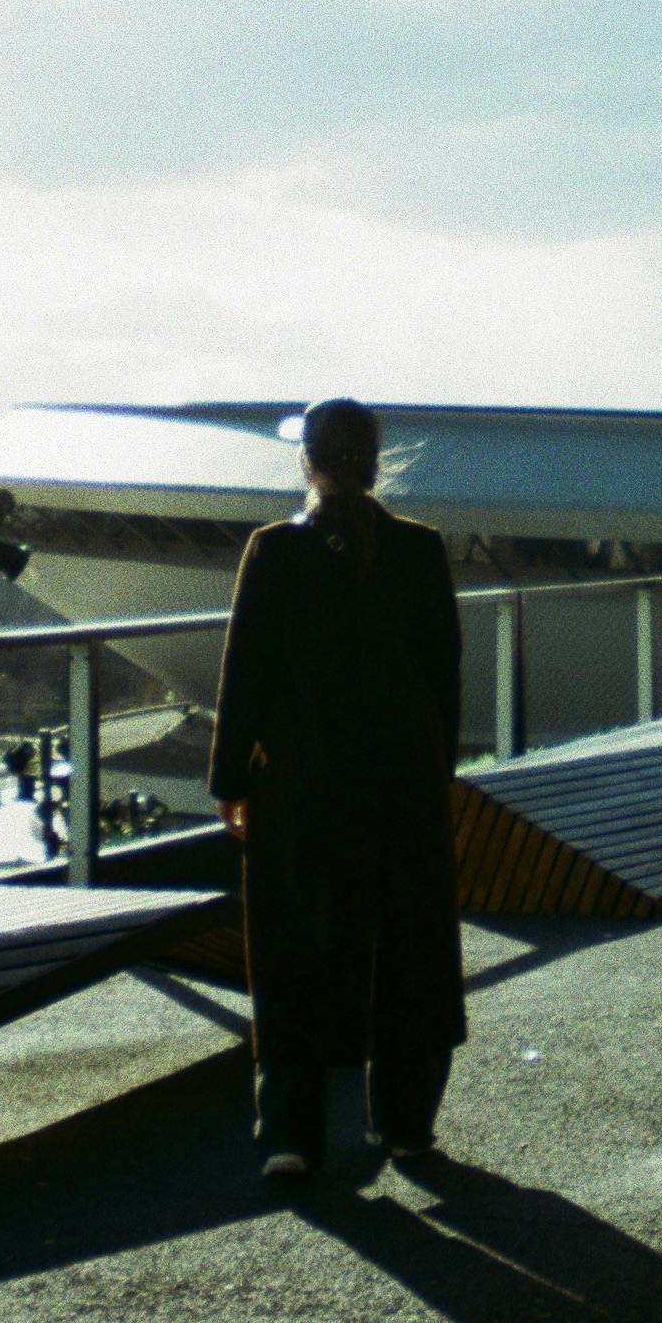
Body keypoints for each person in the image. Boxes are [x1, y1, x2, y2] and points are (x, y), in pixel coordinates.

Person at [208, 397, 465, 1185]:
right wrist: (433, 774)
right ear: (379, 461)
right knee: (408, 952)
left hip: (301, 786)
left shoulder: (275, 551)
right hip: (401, 786)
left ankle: (290, 1136)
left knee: (296, 956)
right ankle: (406, 1125)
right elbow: (443, 678)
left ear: (306, 462)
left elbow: (244, 674)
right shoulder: (418, 551)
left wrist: (230, 784)